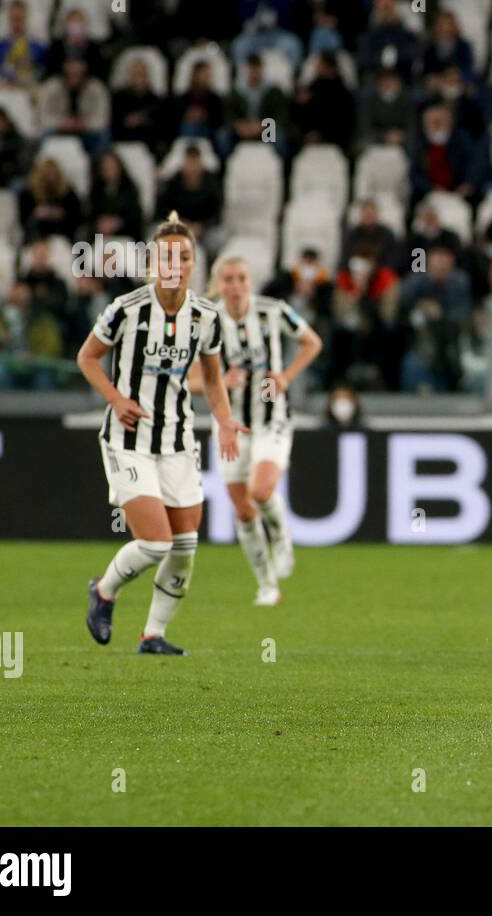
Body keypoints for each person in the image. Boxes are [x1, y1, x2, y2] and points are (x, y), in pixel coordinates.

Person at [76, 212, 246, 655]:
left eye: (186, 256)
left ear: (194, 265)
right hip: (129, 440)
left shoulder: (206, 316)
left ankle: (153, 635)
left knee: (185, 545)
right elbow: (88, 358)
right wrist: (115, 398)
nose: (178, 263)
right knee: (155, 542)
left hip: (177, 441)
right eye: (169, 255)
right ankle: (105, 590)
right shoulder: (127, 309)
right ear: (155, 262)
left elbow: (212, 379)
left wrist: (225, 421)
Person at [190, 256, 322, 605]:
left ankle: (282, 537)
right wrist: (217, 382)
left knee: (261, 491)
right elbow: (186, 378)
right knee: (243, 510)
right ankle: (267, 585)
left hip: (271, 419)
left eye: (242, 278)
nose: (235, 285)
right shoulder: (207, 320)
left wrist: (285, 377)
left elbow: (312, 342)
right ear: (218, 284)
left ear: (250, 281)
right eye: (228, 279)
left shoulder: (273, 311)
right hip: (232, 426)